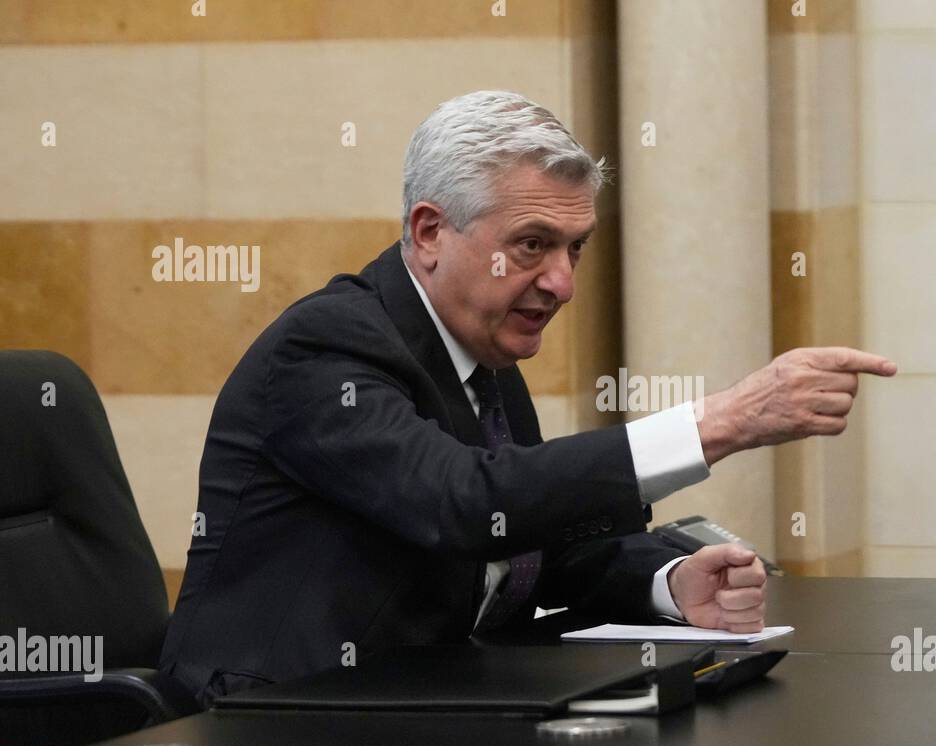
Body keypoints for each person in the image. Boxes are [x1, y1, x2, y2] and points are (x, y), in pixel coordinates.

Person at [159, 91, 897, 707]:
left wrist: (669, 582)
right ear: (428, 233)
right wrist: (722, 422)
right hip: (276, 724)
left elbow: (527, 540)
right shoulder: (325, 349)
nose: (562, 283)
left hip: (428, 706)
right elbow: (460, 504)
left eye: (576, 247)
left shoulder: (482, 350)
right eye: (534, 244)